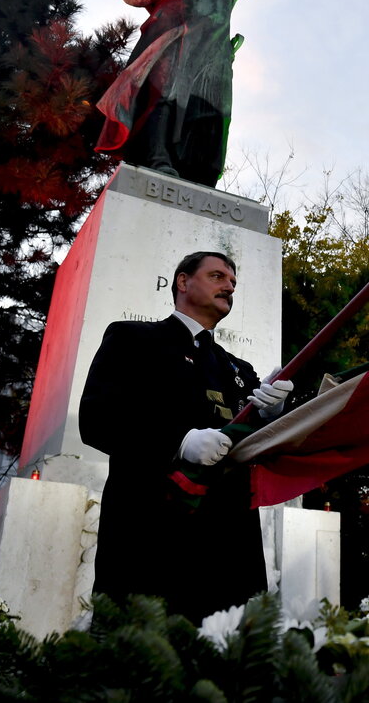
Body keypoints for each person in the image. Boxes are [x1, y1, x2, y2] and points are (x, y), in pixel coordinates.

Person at [79, 251, 294, 622]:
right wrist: (178, 442)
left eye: (233, 282)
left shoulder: (237, 369)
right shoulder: (133, 339)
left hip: (227, 541)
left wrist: (274, 415)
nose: (229, 286)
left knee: (228, 662)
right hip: (151, 533)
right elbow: (97, 419)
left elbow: (255, 444)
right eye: (217, 276)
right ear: (183, 281)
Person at [95, 0, 327, 186]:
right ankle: (157, 158)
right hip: (170, 49)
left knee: (211, 117)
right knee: (163, 103)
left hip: (213, 62)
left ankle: (202, 176)